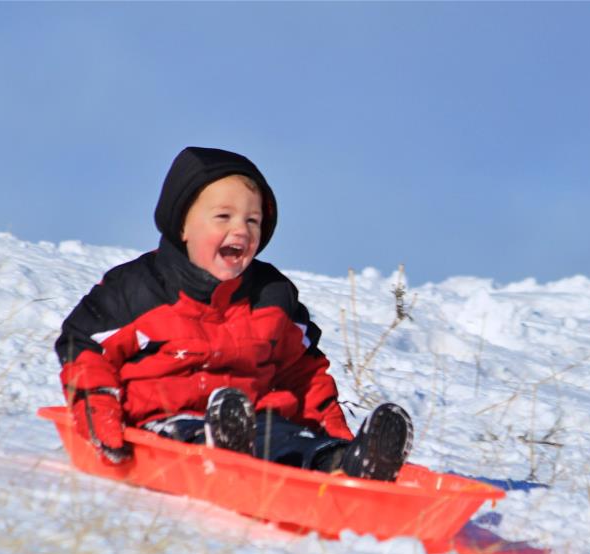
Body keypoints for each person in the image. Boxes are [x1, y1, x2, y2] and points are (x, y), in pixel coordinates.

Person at [55, 146, 412, 481]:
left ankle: (349, 464)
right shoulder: (139, 288)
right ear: (182, 226)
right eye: (223, 216)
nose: (241, 229)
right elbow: (85, 346)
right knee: (192, 433)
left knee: (290, 438)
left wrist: (336, 435)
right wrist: (97, 409)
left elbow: (303, 375)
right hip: (162, 423)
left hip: (255, 423)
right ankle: (223, 448)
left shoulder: (271, 295)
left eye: (253, 220)